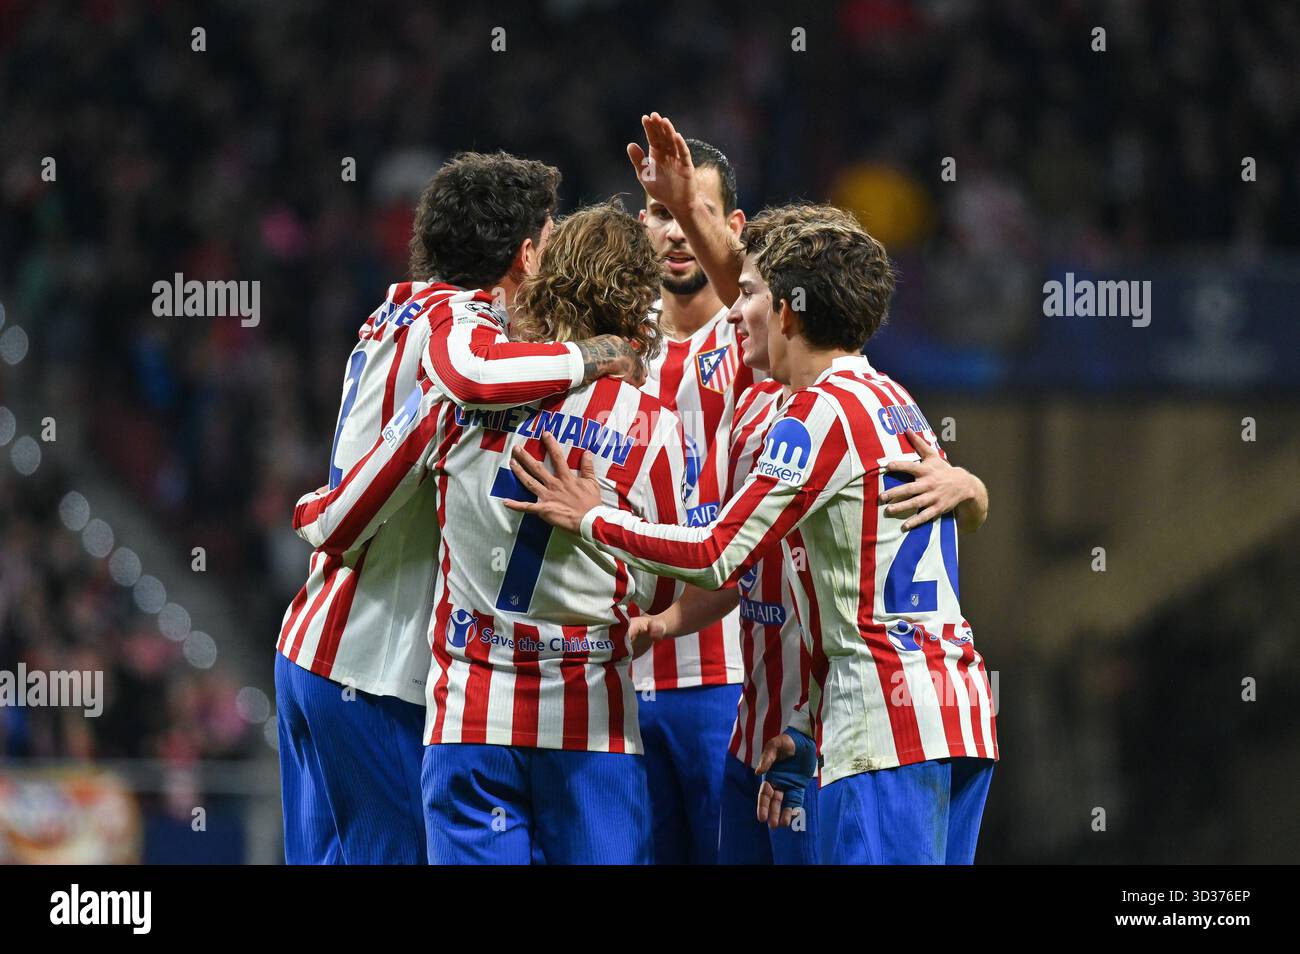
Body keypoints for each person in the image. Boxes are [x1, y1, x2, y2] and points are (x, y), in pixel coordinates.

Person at [506, 218, 1000, 865]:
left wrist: (595, 517)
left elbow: (716, 555)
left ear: (789, 313)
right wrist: (805, 718)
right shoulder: (893, 399)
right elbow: (874, 580)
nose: (736, 313)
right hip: (954, 714)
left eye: (751, 294)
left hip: (887, 727)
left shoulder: (816, 415)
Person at [275, 153, 641, 864]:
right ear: (526, 252)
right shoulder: (461, 322)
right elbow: (465, 373)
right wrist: (592, 356)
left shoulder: (399, 307)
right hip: (370, 666)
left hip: (315, 646)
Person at [624, 116, 756, 864]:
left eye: (693, 215)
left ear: (729, 225)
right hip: (625, 672)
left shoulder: (755, 333)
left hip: (729, 672)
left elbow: (752, 285)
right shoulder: (618, 342)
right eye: (660, 214)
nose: (676, 233)